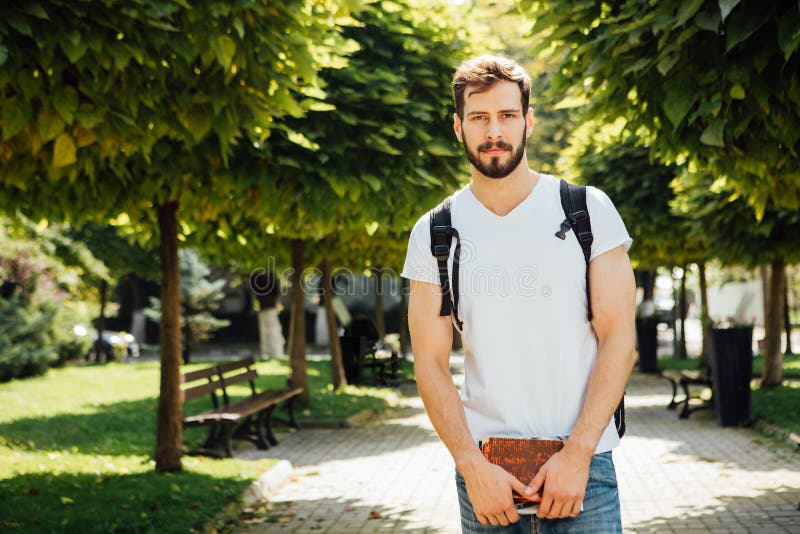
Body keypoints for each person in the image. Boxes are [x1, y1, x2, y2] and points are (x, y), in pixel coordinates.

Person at [401, 55, 636, 533]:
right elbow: (428, 360)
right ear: (458, 126)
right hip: (487, 475)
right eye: (479, 117)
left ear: (528, 121)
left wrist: (578, 453)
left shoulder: (586, 211)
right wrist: (470, 465)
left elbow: (620, 338)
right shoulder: (435, 232)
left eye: (507, 115)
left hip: (582, 473)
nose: (494, 131)